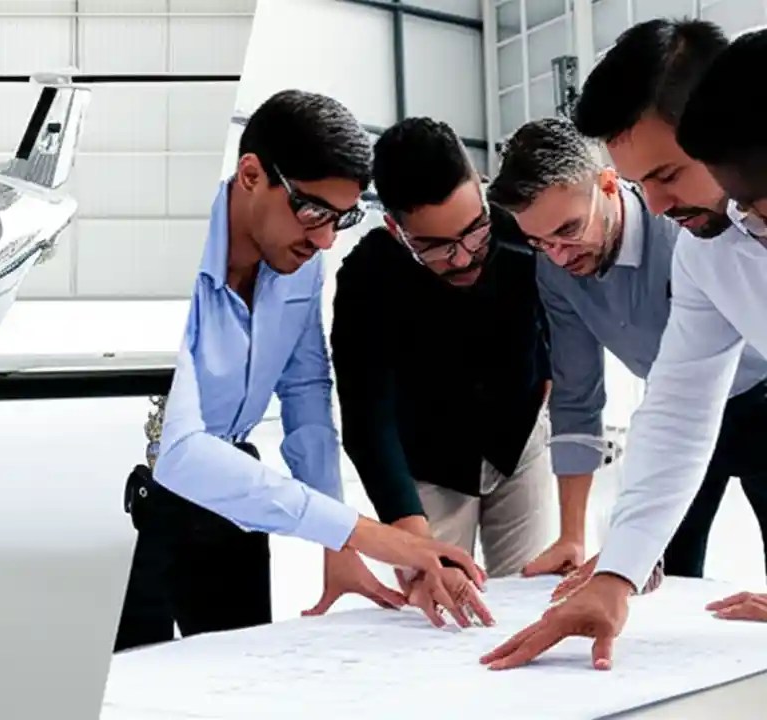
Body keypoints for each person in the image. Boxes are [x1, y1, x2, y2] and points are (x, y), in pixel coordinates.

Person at [113, 90, 487, 653]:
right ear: (251, 174)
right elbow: (180, 451)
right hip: (141, 502)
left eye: (342, 219)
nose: (325, 240)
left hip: (236, 505)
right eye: (313, 211)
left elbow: (306, 393)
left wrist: (338, 547)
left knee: (243, 674)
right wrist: (369, 534)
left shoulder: (300, 264)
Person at [482, 20, 767, 672]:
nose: (659, 204)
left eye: (668, 173)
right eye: (643, 182)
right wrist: (615, 573)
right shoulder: (706, 251)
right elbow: (677, 408)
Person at [328, 116, 552, 627]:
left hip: (520, 441)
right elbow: (367, 419)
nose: (466, 255)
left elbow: (561, 326)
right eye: (439, 248)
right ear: (396, 229)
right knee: (441, 611)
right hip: (429, 465)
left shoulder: (521, 232)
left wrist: (546, 384)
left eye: (475, 230)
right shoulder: (366, 279)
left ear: (481, 187)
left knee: (532, 597)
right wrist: (414, 541)